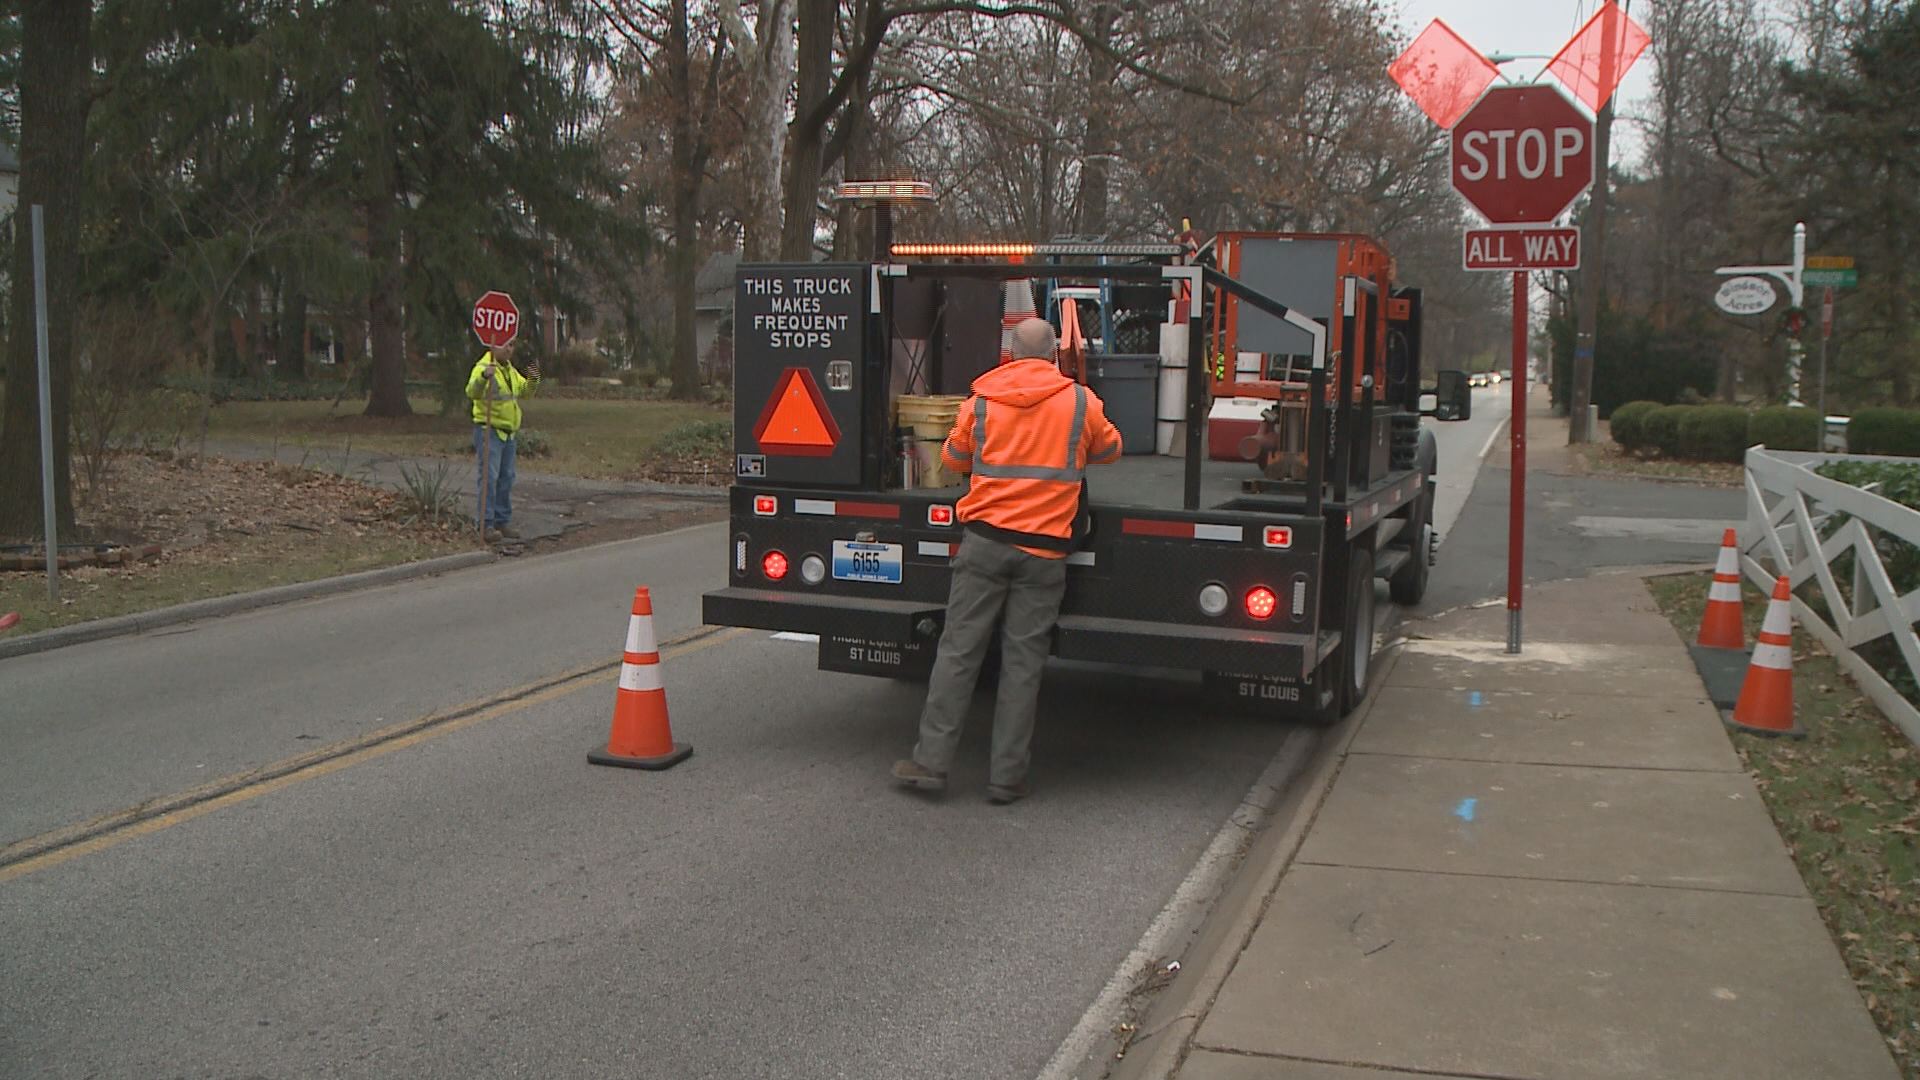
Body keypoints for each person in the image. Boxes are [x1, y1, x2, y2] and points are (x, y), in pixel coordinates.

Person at [892, 317, 1123, 804]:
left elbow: (954, 458)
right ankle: (1007, 777)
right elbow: (1111, 449)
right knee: (1024, 664)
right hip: (1044, 552)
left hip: (985, 543)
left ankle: (931, 763)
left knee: (958, 653)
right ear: (1054, 357)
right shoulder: (1081, 402)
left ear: (1011, 355)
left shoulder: (982, 402)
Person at [466, 342, 540, 542]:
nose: (509, 349)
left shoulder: (509, 370)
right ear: (493, 346)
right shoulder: (483, 367)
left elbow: (526, 391)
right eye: (505, 345)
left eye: (512, 345)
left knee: (506, 477)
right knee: (489, 478)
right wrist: (483, 378)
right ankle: (485, 524)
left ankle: (501, 520)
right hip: (489, 430)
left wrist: (534, 375)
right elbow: (471, 392)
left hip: (508, 432)